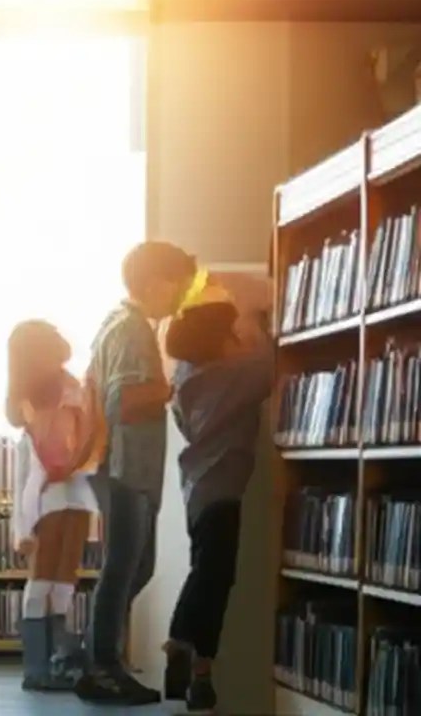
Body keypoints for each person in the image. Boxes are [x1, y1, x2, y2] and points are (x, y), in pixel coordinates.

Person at [75, 241, 196, 706]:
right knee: (125, 566)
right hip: (127, 465)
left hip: (127, 465)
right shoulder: (132, 330)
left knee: (132, 566)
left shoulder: (118, 324)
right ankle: (104, 666)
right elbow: (122, 402)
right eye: (178, 284)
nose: (181, 295)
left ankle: (99, 660)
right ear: (155, 283)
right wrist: (169, 386)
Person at [162, 300, 273, 712]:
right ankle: (181, 640)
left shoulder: (186, 378)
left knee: (209, 574)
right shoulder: (230, 377)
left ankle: (200, 675)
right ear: (219, 341)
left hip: (197, 489)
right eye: (233, 335)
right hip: (222, 488)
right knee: (215, 576)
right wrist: (257, 322)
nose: (239, 341)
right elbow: (268, 367)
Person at [6, 320, 100, 692]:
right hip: (47, 491)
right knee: (44, 571)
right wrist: (21, 527)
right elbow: (32, 470)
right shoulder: (31, 400)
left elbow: (83, 434)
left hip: (75, 486)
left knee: (65, 573)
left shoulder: (71, 388)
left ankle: (56, 659)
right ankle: (36, 667)